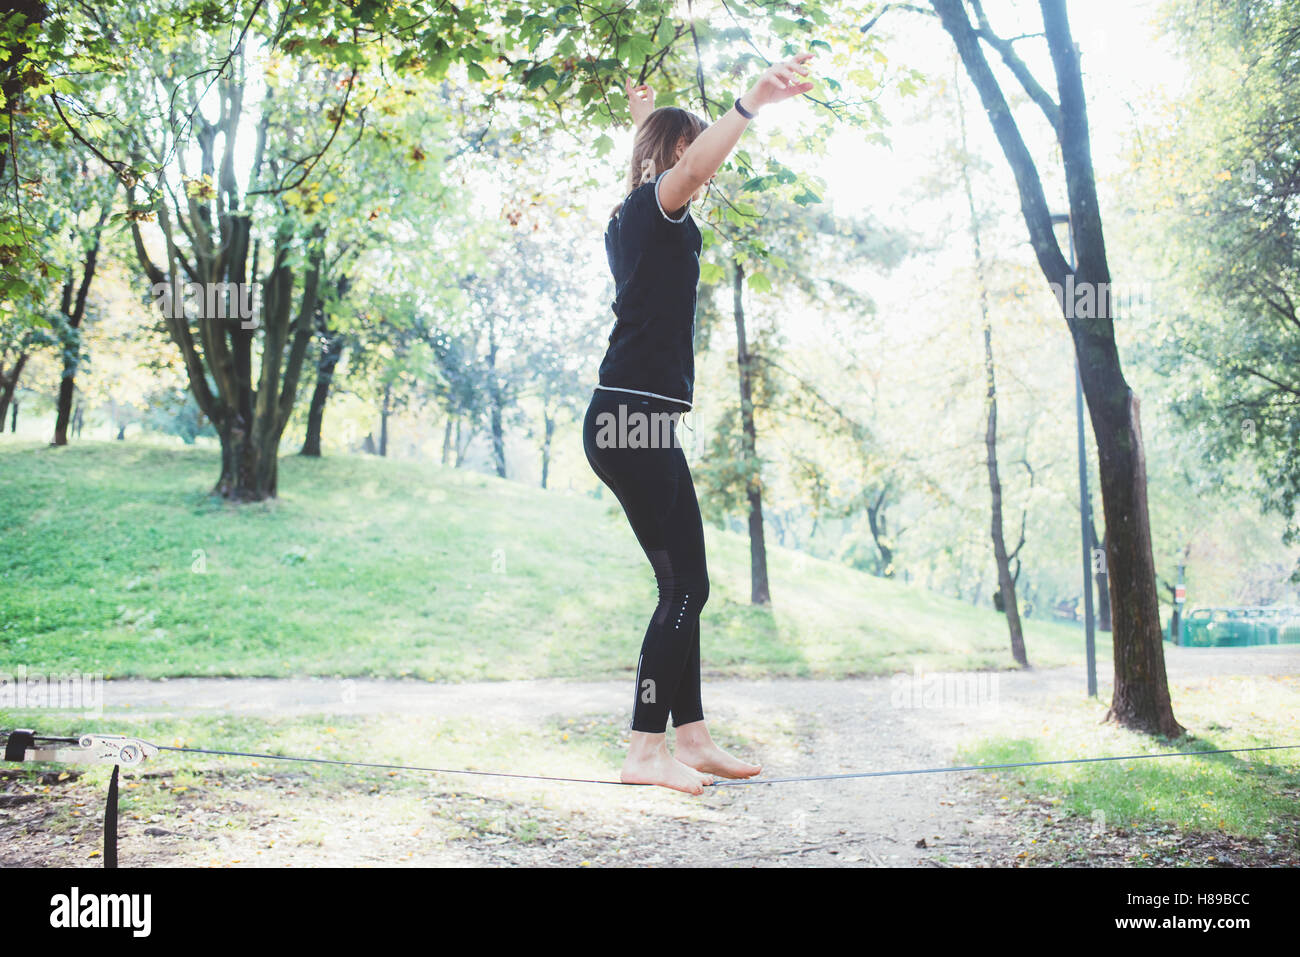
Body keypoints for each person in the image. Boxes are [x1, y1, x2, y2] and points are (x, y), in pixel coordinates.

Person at [583, 54, 815, 794]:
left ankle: (691, 736)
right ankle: (645, 746)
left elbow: (664, 166)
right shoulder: (658, 203)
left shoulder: (637, 214)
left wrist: (643, 121)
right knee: (687, 586)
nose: (705, 161)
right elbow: (686, 167)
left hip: (629, 419)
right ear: (679, 155)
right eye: (696, 145)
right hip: (635, 418)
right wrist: (752, 101)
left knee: (683, 583)